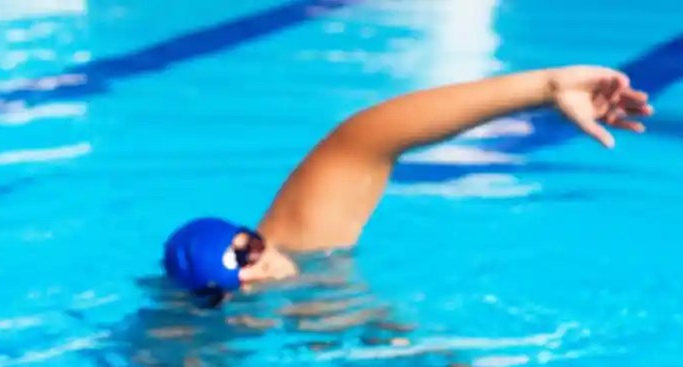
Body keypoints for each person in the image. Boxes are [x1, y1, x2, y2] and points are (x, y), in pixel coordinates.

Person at [161, 65, 653, 305]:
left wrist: (544, 89)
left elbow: (370, 138)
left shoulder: (303, 238)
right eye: (224, 286)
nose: (253, 274)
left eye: (245, 253)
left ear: (252, 235)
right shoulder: (223, 331)